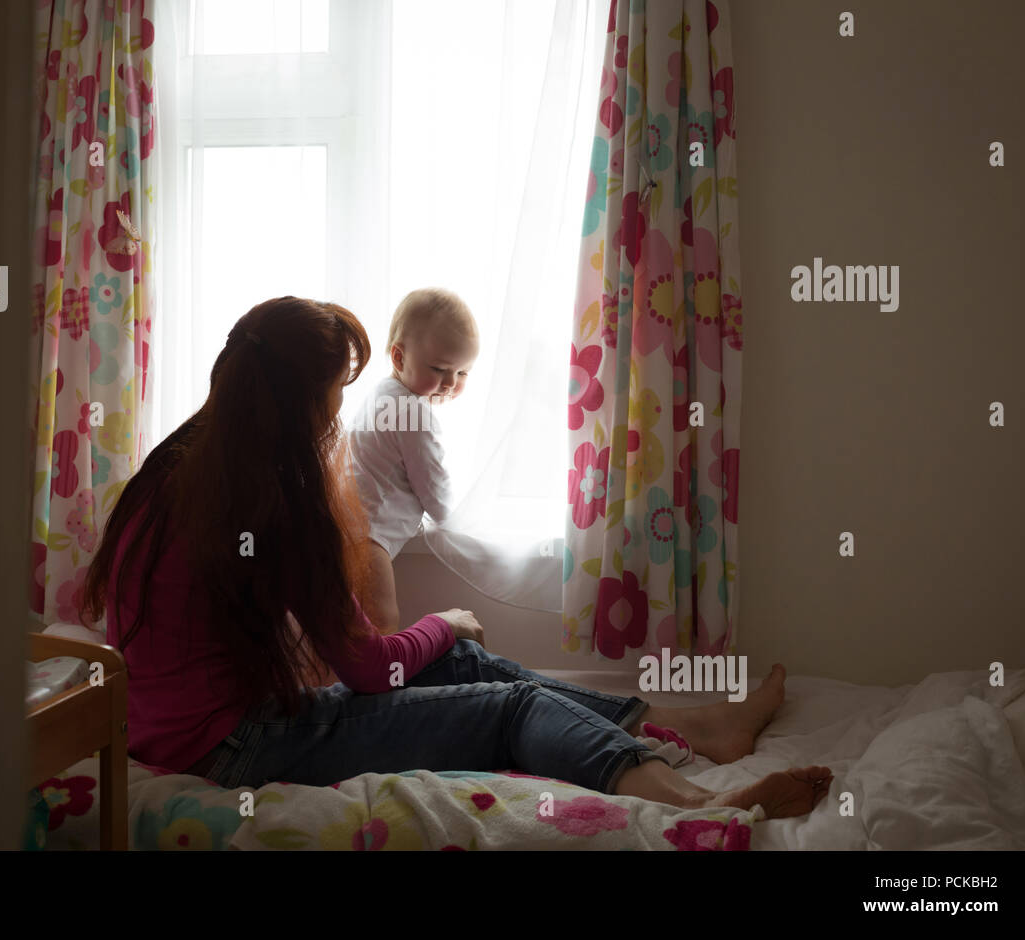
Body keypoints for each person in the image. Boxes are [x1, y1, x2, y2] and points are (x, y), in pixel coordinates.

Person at [79, 296, 833, 818]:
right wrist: (446, 622)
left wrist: (443, 640)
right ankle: (693, 802)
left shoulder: (179, 464)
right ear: (303, 402)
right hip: (231, 749)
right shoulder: (276, 497)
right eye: (339, 387)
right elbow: (372, 670)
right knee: (507, 701)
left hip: (180, 730)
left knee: (466, 667)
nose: (344, 405)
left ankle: (692, 727)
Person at [348, 287, 478, 633]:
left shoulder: (384, 393)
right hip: (367, 536)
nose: (450, 383)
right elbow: (431, 481)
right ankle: (377, 685)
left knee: (347, 628)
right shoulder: (412, 412)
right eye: (439, 368)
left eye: (463, 373)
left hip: (348, 524)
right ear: (399, 357)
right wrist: (453, 518)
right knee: (380, 622)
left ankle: (339, 682)